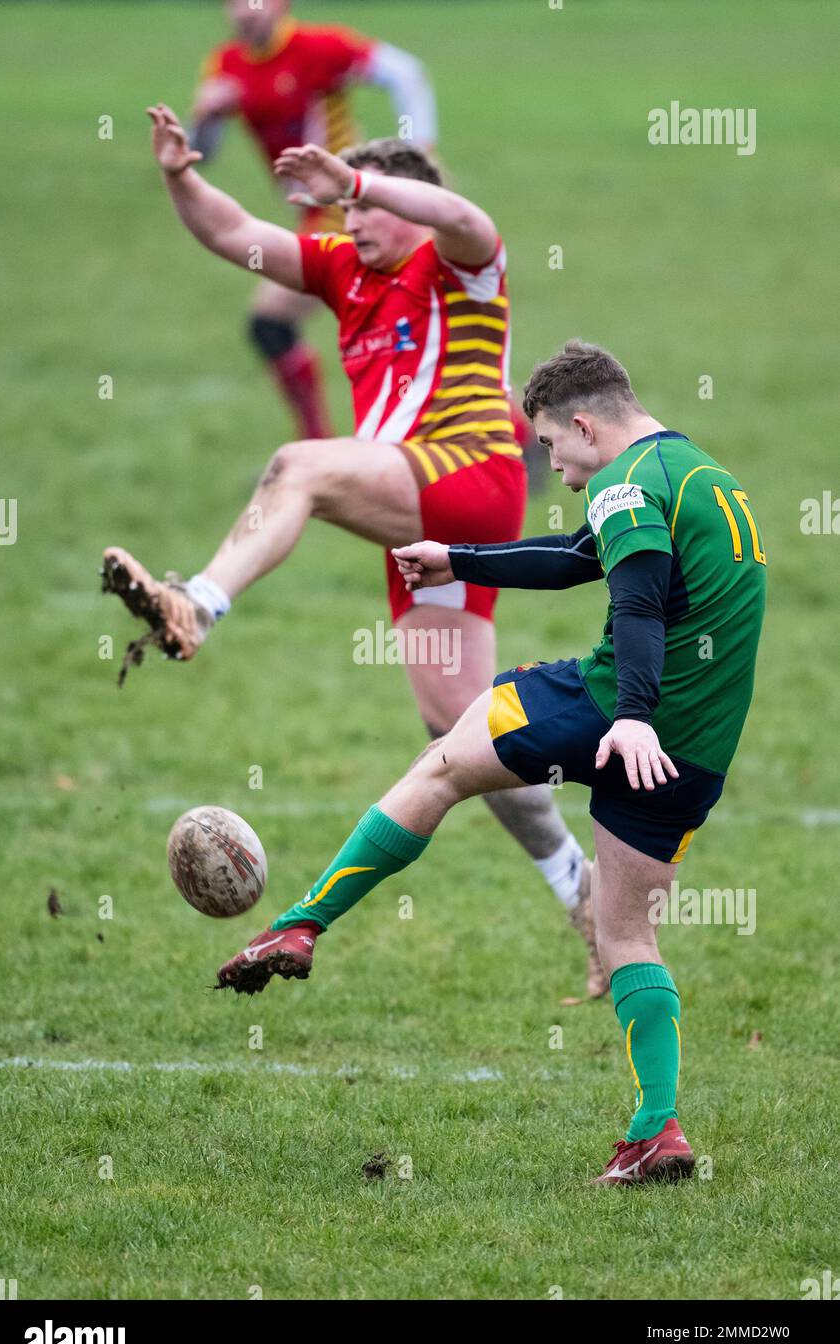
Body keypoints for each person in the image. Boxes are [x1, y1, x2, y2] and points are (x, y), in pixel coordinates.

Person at [215, 340, 767, 1186]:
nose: (553, 466)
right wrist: (460, 559)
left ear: (585, 424)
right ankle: (658, 1129)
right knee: (626, 931)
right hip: (691, 751)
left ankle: (302, 921)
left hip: (616, 713)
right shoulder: (701, 476)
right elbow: (588, 558)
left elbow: (641, 602)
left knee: (441, 766)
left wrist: (627, 717)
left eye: (548, 445)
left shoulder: (624, 482)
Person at [102, 113, 602, 993]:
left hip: (470, 479)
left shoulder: (455, 263)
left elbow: (470, 218)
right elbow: (235, 233)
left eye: (363, 208)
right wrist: (181, 178)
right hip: (419, 519)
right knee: (464, 733)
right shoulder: (342, 270)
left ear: (405, 206)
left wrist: (359, 181)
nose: (349, 224)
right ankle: (579, 886)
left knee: (299, 466)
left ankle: (197, 605)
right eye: (344, 210)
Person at [188, 0, 437, 439]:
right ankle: (515, 438)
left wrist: (416, 153)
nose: (246, 12)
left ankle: (317, 448)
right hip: (317, 214)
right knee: (418, 323)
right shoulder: (226, 64)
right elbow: (202, 155)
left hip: (350, 210)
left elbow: (406, 74)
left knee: (272, 321)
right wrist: (203, 118)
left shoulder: (320, 47)